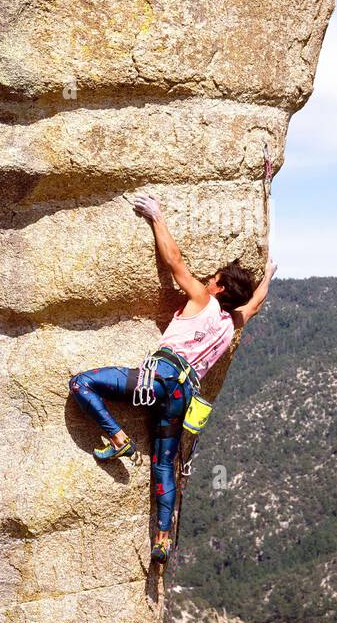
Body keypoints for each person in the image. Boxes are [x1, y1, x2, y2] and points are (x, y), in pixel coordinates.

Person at [69, 191, 276, 565]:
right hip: (182, 398)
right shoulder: (231, 324)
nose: (207, 280)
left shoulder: (205, 300)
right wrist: (269, 275)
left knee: (82, 383)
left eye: (212, 278)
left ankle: (117, 437)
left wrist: (156, 217)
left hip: (158, 379)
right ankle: (163, 539)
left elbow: (175, 263)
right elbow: (255, 303)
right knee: (164, 464)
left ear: (220, 288)